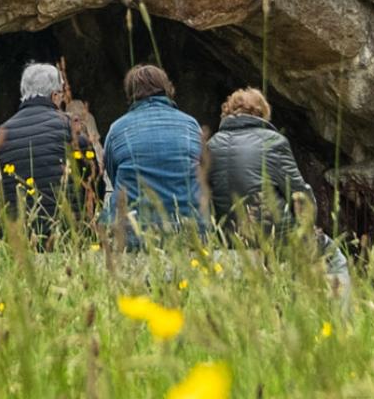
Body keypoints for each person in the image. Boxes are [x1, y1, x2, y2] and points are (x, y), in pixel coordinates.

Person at [206, 88, 350, 294]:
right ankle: (339, 321)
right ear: (261, 113)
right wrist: (308, 227)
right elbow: (299, 195)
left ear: (227, 112)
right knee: (335, 258)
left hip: (230, 239)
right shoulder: (273, 142)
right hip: (277, 236)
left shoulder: (211, 145)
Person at [101, 65, 205, 240]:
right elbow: (203, 173)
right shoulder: (191, 125)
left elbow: (114, 175)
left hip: (133, 233)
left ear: (130, 94)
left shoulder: (117, 130)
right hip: (189, 230)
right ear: (167, 89)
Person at [0, 63, 75, 236]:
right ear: (54, 95)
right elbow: (92, 179)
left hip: (18, 238)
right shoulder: (69, 126)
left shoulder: (1, 132)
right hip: (65, 234)